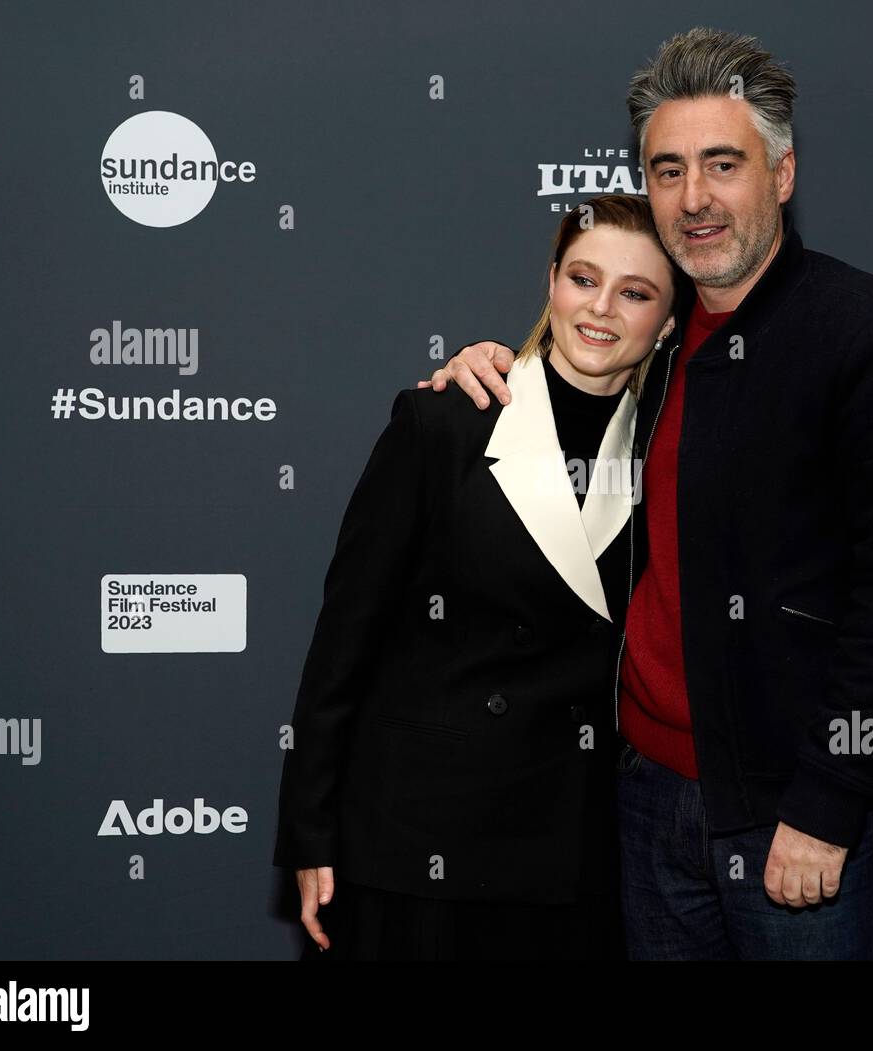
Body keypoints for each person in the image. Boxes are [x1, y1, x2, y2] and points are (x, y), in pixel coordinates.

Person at [425, 27, 873, 960]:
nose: (694, 198)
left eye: (724, 164)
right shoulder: (658, 333)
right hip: (644, 800)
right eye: (667, 170)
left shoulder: (867, 333)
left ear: (784, 174)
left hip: (792, 817)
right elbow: (565, 377)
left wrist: (829, 806)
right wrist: (488, 371)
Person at [272, 193, 692, 960]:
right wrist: (310, 830)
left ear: (667, 323)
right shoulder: (445, 423)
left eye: (635, 292)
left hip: (571, 853)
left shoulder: (668, 453)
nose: (600, 308)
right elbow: (342, 644)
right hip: (419, 841)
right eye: (582, 278)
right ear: (551, 281)